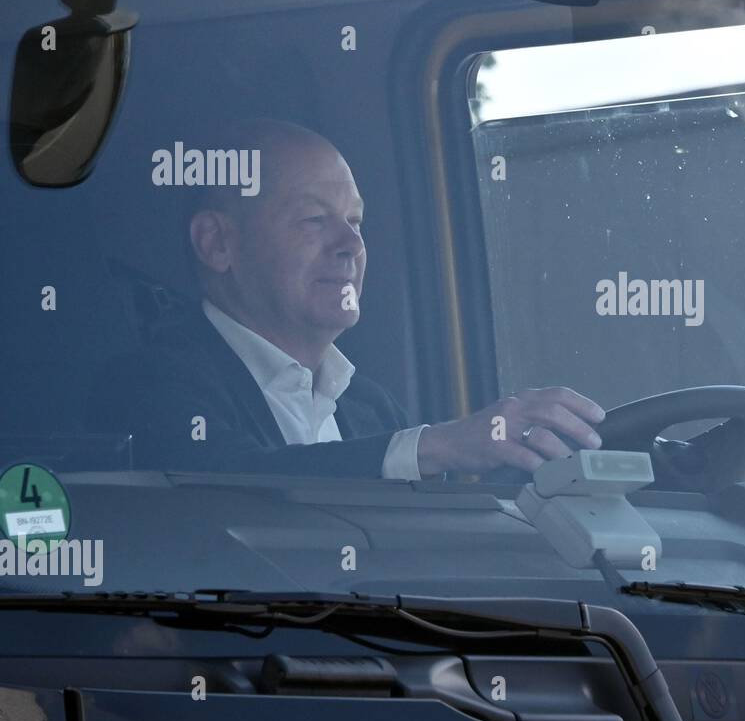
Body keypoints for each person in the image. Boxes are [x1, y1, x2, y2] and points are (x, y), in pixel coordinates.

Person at [92, 119, 604, 479]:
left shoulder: (370, 408)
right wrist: (439, 445)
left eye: (355, 222)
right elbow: (226, 485)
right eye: (314, 220)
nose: (352, 246)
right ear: (218, 243)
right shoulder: (149, 384)